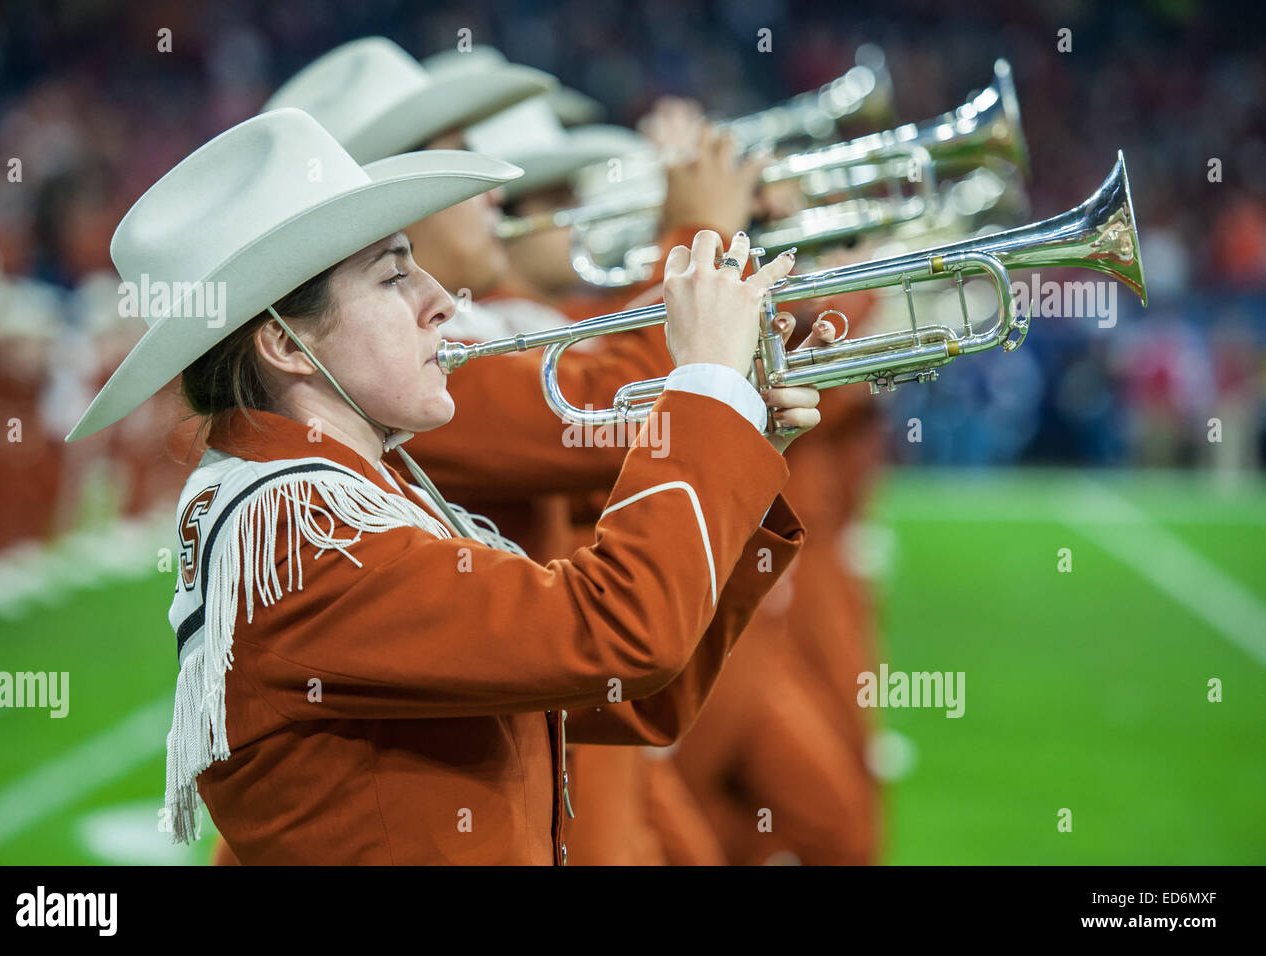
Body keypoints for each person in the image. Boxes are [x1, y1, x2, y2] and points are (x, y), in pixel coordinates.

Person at [67, 107, 826, 864]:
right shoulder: (302, 532)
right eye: (395, 275)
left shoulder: (346, 494)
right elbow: (617, 638)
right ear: (284, 343)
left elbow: (630, 697)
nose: (442, 301)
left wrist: (739, 455)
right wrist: (702, 392)